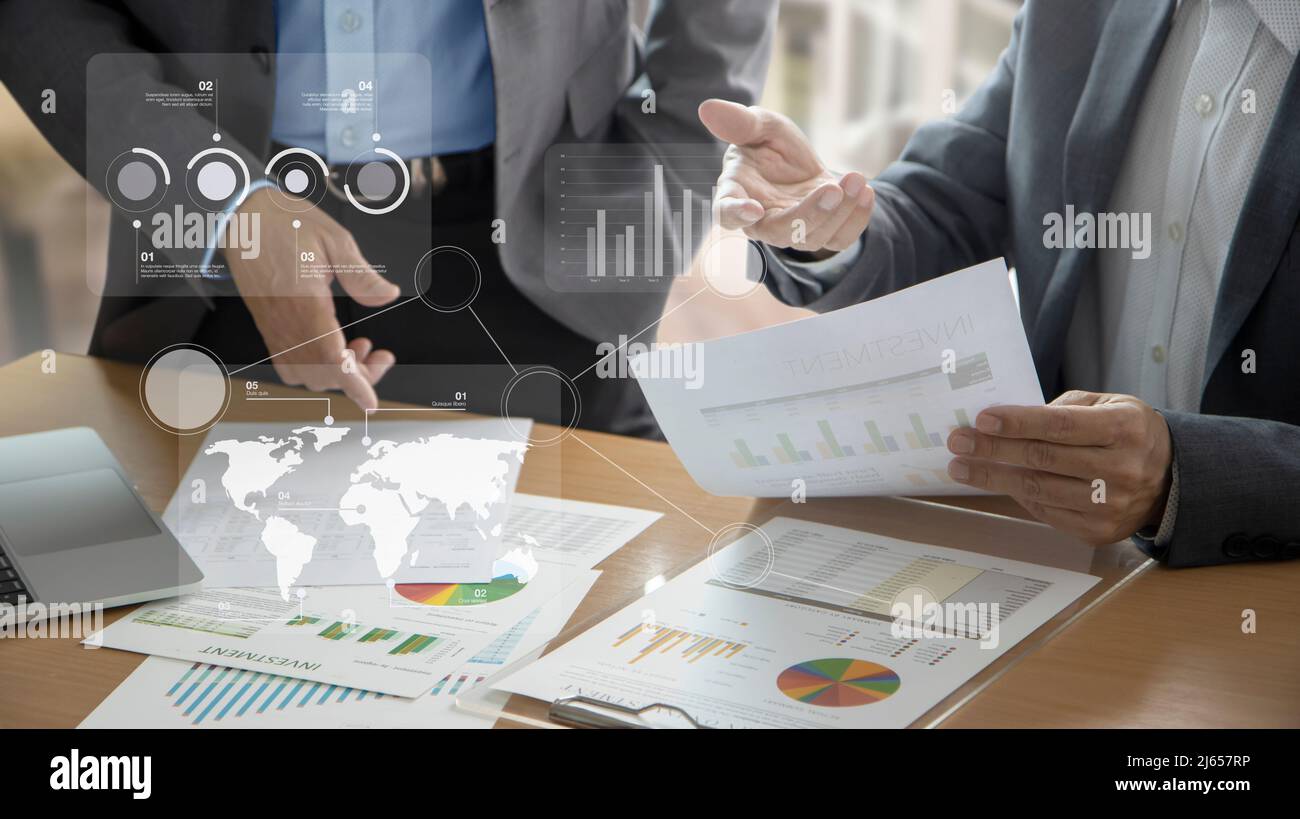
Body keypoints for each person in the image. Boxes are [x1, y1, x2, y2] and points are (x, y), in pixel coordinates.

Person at [700, 0, 1300, 566]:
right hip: (1046, 552)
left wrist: (1185, 476)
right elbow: (949, 205)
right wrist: (832, 224)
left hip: (1259, 601)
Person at [0, 0, 776, 436]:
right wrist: (221, 203)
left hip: (547, 244)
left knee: (572, 655)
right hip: (217, 259)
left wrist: (666, 189)